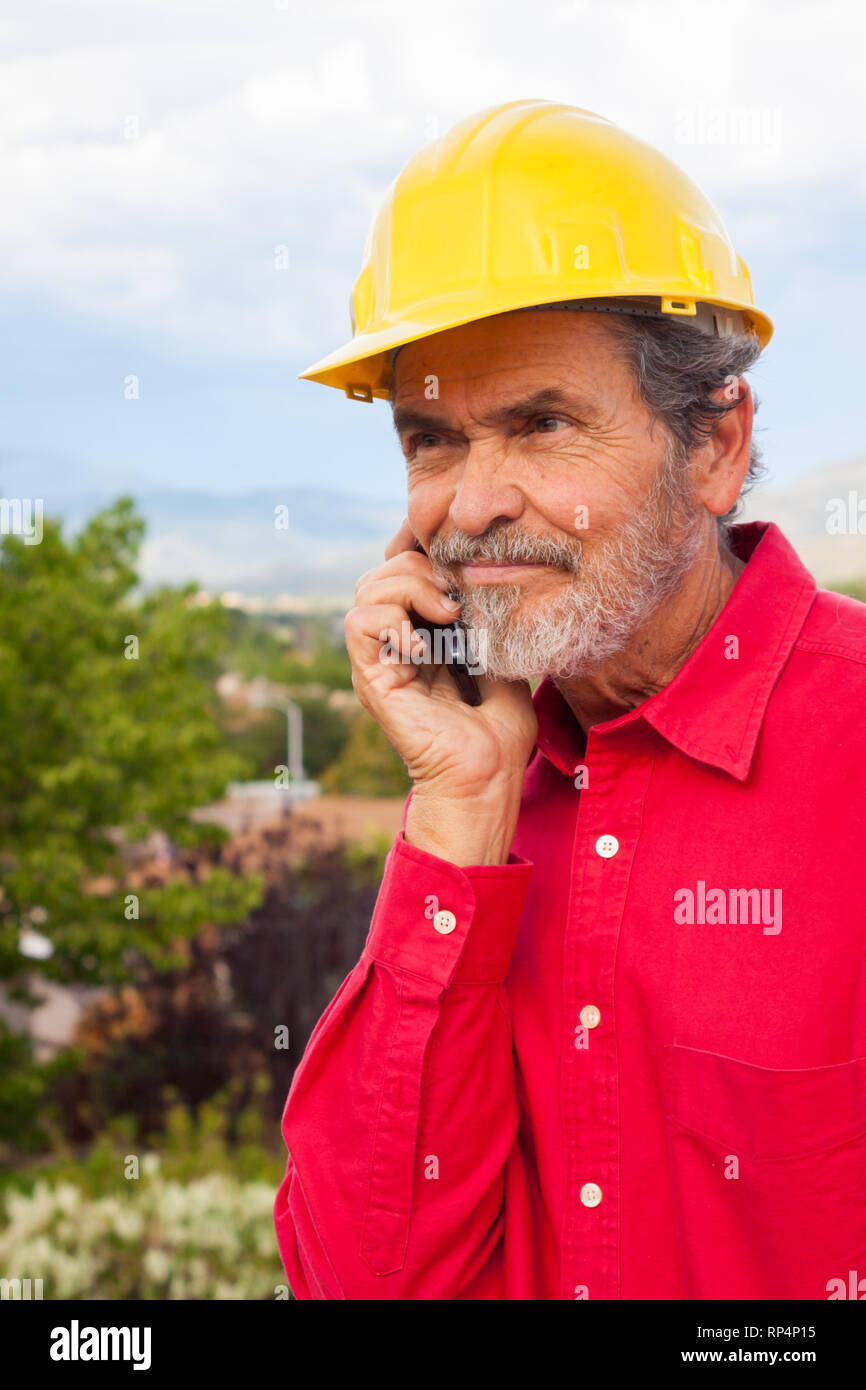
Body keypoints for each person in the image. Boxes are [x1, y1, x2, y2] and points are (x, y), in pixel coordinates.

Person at [273, 99, 866, 1300]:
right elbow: (365, 1283)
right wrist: (458, 812)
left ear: (709, 443)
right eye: (431, 440)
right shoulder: (476, 789)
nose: (471, 503)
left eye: (540, 424)